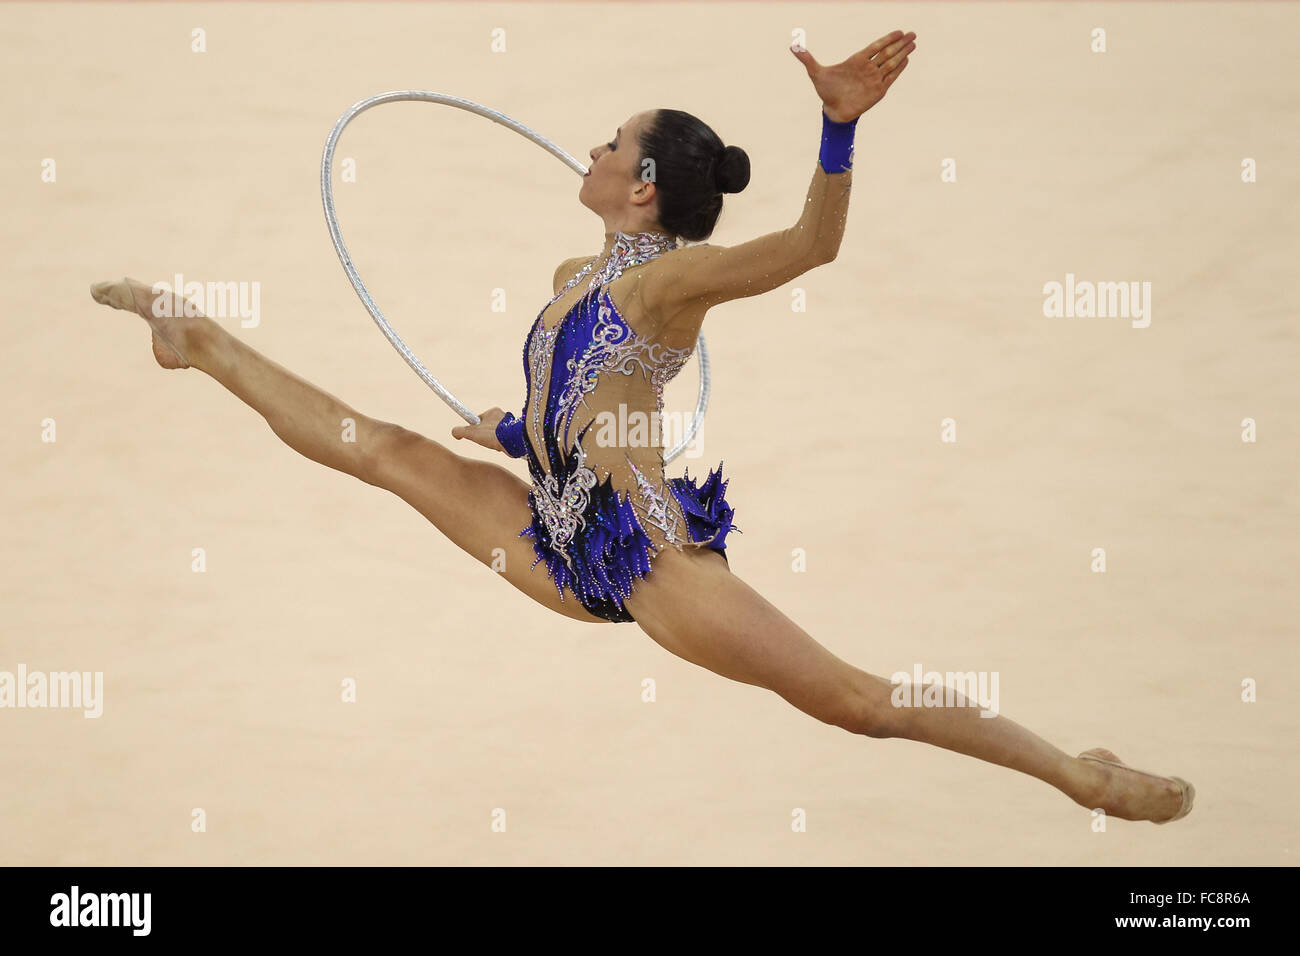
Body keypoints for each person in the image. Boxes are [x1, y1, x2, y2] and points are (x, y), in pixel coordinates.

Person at [91, 30, 1193, 823]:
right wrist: (516, 437)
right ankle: (200, 339)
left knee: (856, 702)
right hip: (558, 533)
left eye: (612, 142)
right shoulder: (575, 273)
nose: (595, 147)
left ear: (645, 184)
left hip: (648, 552)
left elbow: (812, 246)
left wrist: (837, 132)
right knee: (383, 449)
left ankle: (1074, 769)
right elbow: (578, 401)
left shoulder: (673, 283)